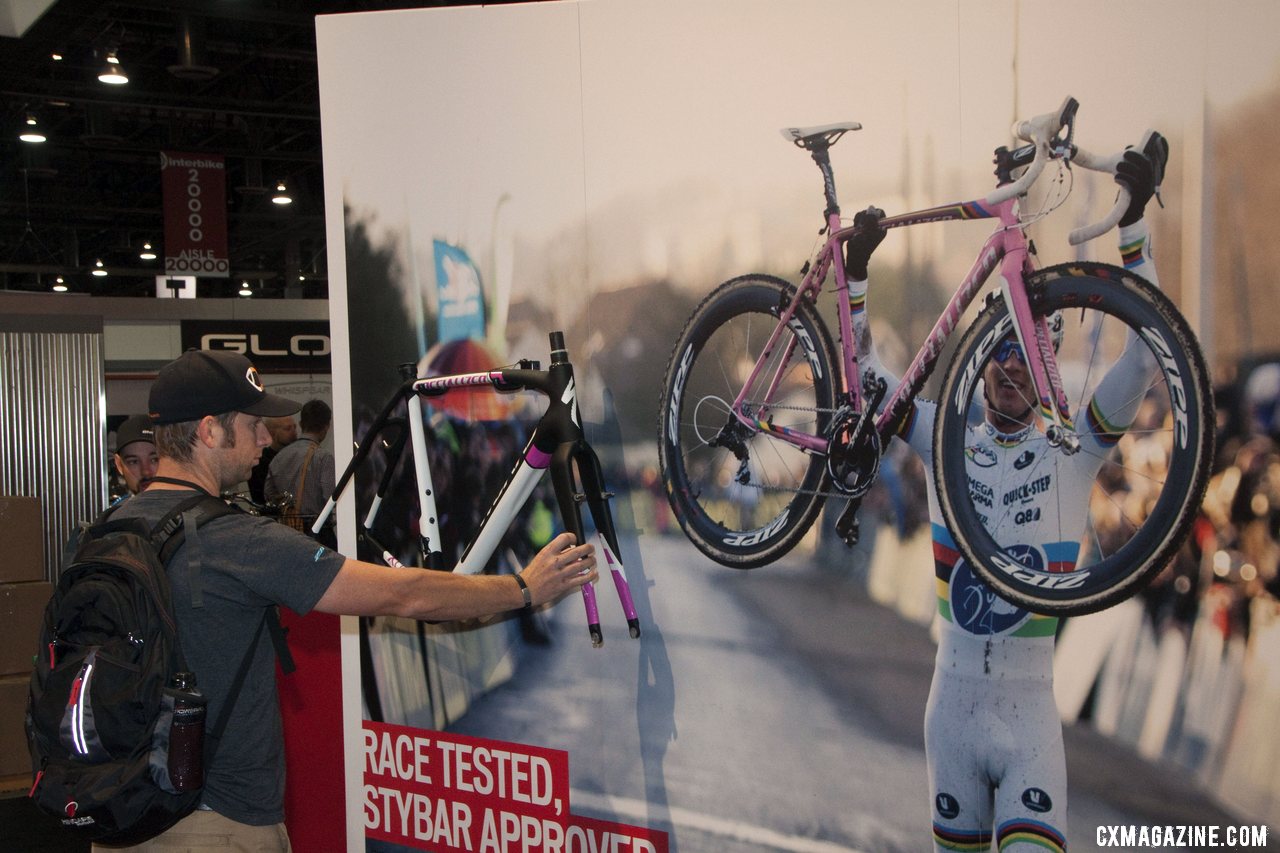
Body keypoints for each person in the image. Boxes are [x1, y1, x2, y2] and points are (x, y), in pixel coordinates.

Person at [98, 348, 597, 852]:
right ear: (208, 431)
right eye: (254, 425)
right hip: (215, 827)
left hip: (124, 812)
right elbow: (405, 594)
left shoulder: (107, 529)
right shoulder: (238, 540)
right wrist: (525, 587)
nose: (267, 438)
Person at [847, 143, 1165, 852]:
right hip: (949, 712)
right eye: (1000, 348)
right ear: (981, 353)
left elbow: (1147, 351)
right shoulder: (943, 435)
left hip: (1028, 721)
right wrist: (856, 272)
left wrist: (1134, 225)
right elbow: (866, 378)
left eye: (1027, 348)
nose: (1010, 364)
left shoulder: (1076, 446)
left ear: (1049, 354)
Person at [265, 399, 335, 545]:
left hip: (286, 533)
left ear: (302, 424)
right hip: (317, 534)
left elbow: (269, 495)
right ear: (326, 427)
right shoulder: (324, 458)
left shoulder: (279, 456)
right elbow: (330, 499)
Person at [247, 415, 298, 504]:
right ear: (272, 432)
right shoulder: (260, 461)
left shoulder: (297, 458)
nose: (294, 432)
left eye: (295, 427)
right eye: (287, 428)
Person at [112, 413, 160, 498]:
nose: (146, 472)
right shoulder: (118, 511)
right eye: (134, 462)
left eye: (154, 460)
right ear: (119, 464)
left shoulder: (188, 509)